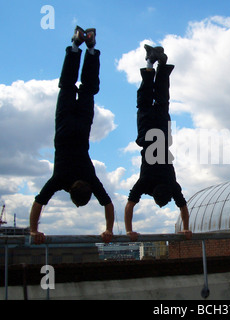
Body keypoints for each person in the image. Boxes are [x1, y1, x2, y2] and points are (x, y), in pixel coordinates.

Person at [30, 26, 114, 244]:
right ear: (70, 192)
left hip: (83, 125)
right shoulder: (60, 179)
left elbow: (108, 204)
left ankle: (92, 48)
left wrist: (109, 229)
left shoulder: (90, 178)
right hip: (65, 124)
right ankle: (76, 45)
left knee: (87, 88)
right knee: (67, 86)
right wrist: (33, 230)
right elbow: (39, 202)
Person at [124, 45, 192, 241]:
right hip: (146, 133)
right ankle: (149, 62)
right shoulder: (145, 182)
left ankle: (161, 64)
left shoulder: (172, 184)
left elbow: (183, 207)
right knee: (144, 102)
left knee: (162, 102)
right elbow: (129, 205)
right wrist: (129, 230)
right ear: (152, 194)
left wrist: (186, 228)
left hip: (161, 131)